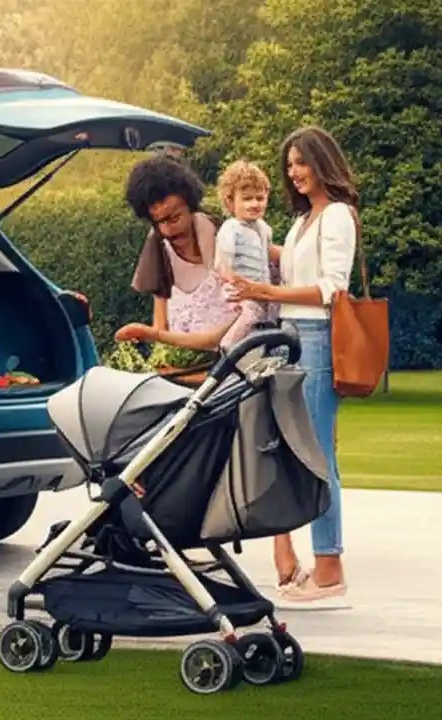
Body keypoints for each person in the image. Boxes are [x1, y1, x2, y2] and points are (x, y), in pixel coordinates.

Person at [226, 125, 358, 603]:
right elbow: (292, 264)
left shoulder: (337, 215)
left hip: (318, 338)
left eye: (301, 162)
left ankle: (329, 567)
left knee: (318, 454)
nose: (295, 172)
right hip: (290, 338)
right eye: (289, 166)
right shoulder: (304, 220)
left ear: (323, 161)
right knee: (292, 451)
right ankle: (306, 560)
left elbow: (331, 289)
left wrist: (266, 292)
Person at [114, 155, 239, 353]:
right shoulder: (157, 244)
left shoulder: (224, 231)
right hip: (189, 361)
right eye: (160, 222)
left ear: (190, 205)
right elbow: (160, 323)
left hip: (237, 353)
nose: (169, 229)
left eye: (174, 217)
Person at [212, 159, 278, 350]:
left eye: (260, 198)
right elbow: (222, 262)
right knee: (249, 317)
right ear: (231, 201)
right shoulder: (231, 228)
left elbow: (267, 258)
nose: (254, 204)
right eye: (247, 198)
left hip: (261, 289)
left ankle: (266, 352)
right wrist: (233, 282)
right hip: (239, 291)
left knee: (269, 317)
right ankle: (228, 349)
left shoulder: (264, 228)